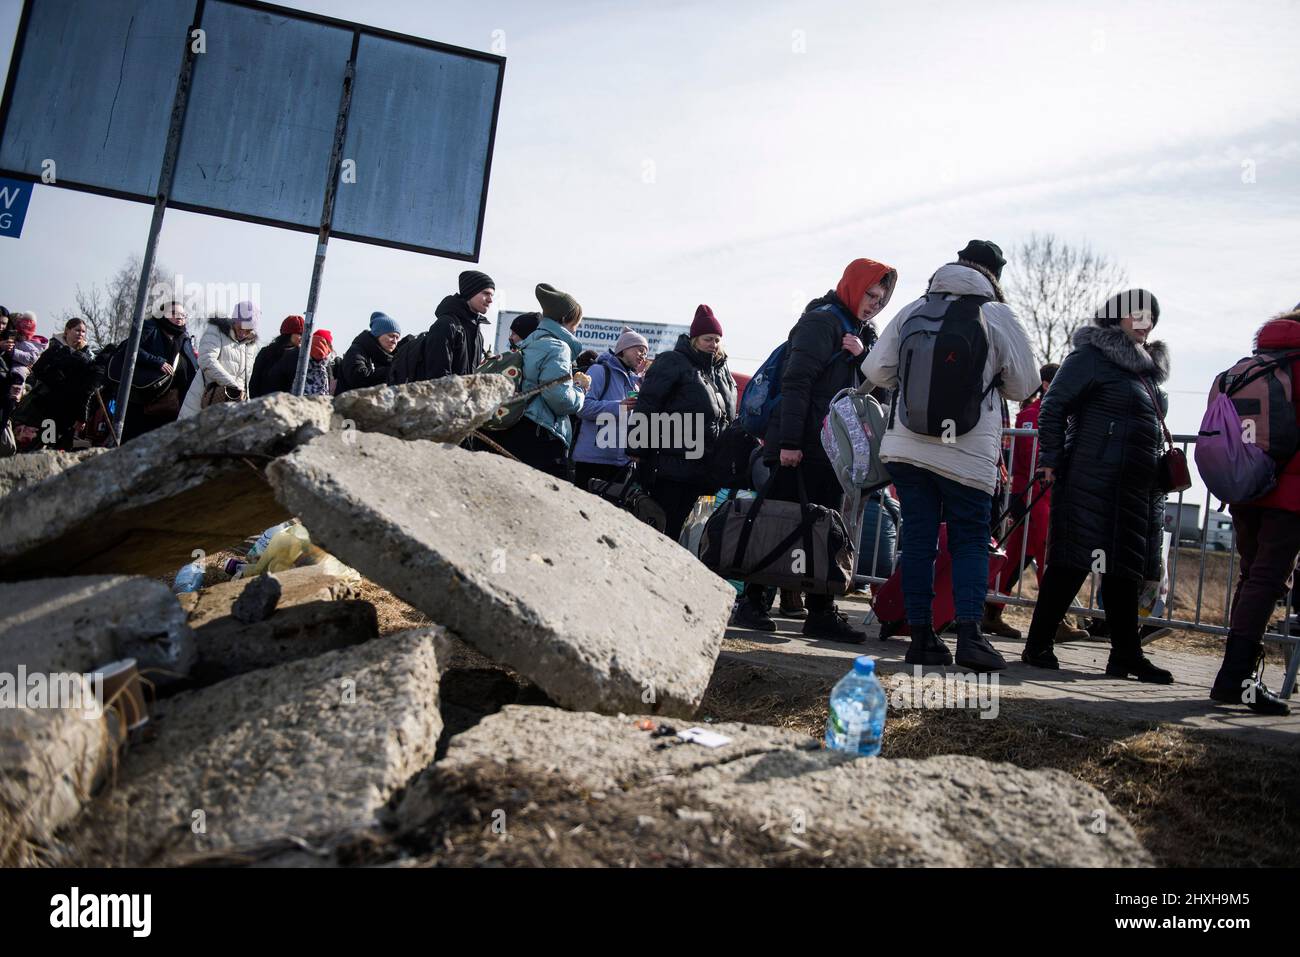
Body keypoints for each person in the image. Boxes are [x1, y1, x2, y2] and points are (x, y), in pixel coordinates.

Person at [863, 242, 1039, 670]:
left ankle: (920, 637)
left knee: (919, 542)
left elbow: (874, 371)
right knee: (969, 543)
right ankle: (971, 638)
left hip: (907, 445)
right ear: (994, 276)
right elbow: (1025, 385)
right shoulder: (997, 314)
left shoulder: (913, 309)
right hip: (966, 452)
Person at [731, 260, 897, 641]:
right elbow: (796, 383)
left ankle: (821, 610)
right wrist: (789, 443)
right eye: (870, 294)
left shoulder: (863, 335)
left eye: (881, 298)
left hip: (832, 451)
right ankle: (753, 603)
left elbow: (883, 393)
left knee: (825, 531)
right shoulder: (821, 322)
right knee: (778, 523)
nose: (874, 303)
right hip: (802, 445)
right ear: (853, 286)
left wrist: (864, 359)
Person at [1020, 289, 1174, 683]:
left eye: (1151, 317)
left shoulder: (1146, 371)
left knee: (1124, 572)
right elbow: (1054, 406)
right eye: (1138, 315)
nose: (1146, 324)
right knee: (1071, 564)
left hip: (1135, 489)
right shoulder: (1089, 356)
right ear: (1115, 318)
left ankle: (1126, 655)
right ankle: (1038, 644)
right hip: (1091, 480)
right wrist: (1050, 459)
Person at [1208, 304, 1300, 716]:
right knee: (1268, 581)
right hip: (1290, 492)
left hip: (1246, 486)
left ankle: (1236, 675)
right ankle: (1237, 679)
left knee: (1252, 578)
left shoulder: (1243, 368)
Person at [631, 305, 737, 543]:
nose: (713, 344)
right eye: (708, 338)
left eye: (717, 339)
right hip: (671, 466)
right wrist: (636, 446)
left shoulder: (720, 372)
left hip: (704, 469)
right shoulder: (674, 362)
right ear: (694, 339)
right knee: (662, 528)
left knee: (685, 535)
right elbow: (648, 403)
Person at [492, 284, 589, 475]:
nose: (576, 328)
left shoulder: (531, 342)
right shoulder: (558, 348)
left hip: (515, 427)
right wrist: (580, 390)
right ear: (564, 319)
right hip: (540, 437)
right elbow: (560, 400)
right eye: (575, 322)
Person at [572, 328, 647, 490]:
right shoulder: (599, 371)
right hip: (593, 460)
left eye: (645, 353)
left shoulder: (635, 383)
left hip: (622, 463)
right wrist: (619, 406)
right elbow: (582, 408)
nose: (643, 355)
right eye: (639, 350)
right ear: (623, 349)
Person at [120, 301, 198, 441]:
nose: (179, 317)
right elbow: (130, 349)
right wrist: (157, 362)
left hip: (171, 405)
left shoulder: (184, 338)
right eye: (174, 313)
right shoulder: (150, 327)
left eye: (183, 315)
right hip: (143, 400)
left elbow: (191, 370)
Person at [23, 317, 99, 449]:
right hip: (48, 406)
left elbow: (86, 388)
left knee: (62, 447)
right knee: (46, 442)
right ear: (67, 330)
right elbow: (37, 370)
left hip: (70, 410)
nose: (80, 334)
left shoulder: (88, 355)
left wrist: (82, 415)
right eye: (77, 330)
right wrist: (54, 376)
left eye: (83, 331)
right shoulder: (55, 349)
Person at [180, 301, 259, 417]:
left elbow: (245, 381)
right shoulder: (216, 331)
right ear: (234, 320)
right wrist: (233, 386)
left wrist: (245, 403)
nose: (243, 333)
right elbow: (206, 360)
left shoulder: (251, 346)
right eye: (241, 327)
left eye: (248, 330)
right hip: (205, 399)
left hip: (231, 405)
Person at [416, 270, 495, 380]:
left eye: (492, 295)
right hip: (448, 396)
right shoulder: (446, 325)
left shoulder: (477, 332)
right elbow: (438, 378)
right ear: (470, 292)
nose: (490, 300)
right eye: (486, 293)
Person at [338, 312, 401, 394]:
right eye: (391, 336)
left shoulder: (390, 358)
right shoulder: (357, 351)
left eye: (397, 337)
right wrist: (392, 370)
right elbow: (358, 379)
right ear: (377, 334)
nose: (395, 341)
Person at [250, 315, 303, 398]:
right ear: (289, 333)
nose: (302, 337)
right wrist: (256, 402)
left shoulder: (301, 356)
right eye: (299, 334)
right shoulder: (267, 352)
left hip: (288, 405)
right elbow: (254, 381)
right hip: (265, 402)